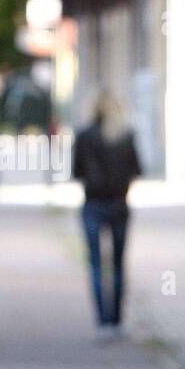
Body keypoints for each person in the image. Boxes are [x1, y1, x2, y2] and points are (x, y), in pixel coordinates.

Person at [70, 90, 141, 342]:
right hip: (120, 204)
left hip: (93, 204)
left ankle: (103, 323)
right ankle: (118, 321)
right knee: (119, 265)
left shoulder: (84, 136)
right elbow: (137, 169)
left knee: (97, 266)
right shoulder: (126, 135)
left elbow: (76, 171)